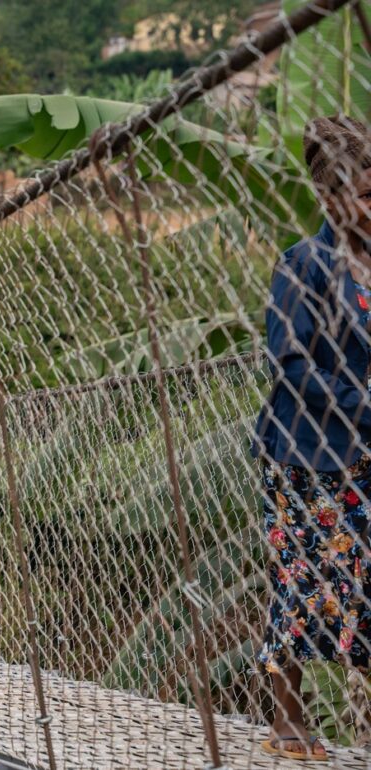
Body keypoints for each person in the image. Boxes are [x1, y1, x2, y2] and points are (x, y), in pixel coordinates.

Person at [253, 115, 371, 763]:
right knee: (307, 581)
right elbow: (290, 363)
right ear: (331, 198)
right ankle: (288, 722)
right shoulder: (306, 264)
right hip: (311, 457)